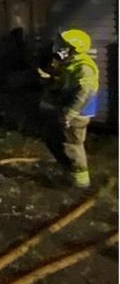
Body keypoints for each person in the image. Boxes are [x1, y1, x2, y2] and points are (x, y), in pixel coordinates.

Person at [44, 29, 100, 188]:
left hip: (78, 113)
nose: (59, 48)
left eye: (63, 46)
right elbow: (64, 84)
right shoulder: (71, 64)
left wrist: (69, 114)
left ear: (74, 49)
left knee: (72, 146)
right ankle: (68, 170)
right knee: (56, 140)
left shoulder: (84, 68)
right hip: (67, 110)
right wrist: (50, 79)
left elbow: (84, 93)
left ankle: (80, 183)